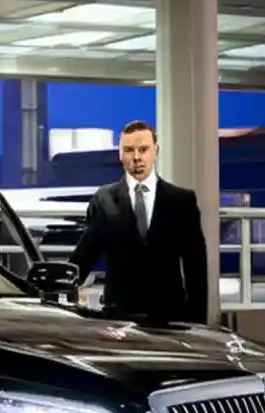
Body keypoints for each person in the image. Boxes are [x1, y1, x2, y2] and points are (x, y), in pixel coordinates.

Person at [68, 120, 209, 324]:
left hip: (170, 316)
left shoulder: (182, 201)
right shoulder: (104, 199)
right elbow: (85, 256)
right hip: (119, 317)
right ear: (120, 154)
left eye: (143, 149)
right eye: (129, 150)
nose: (136, 157)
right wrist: (54, 288)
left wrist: (199, 324)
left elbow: (196, 268)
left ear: (155, 151)